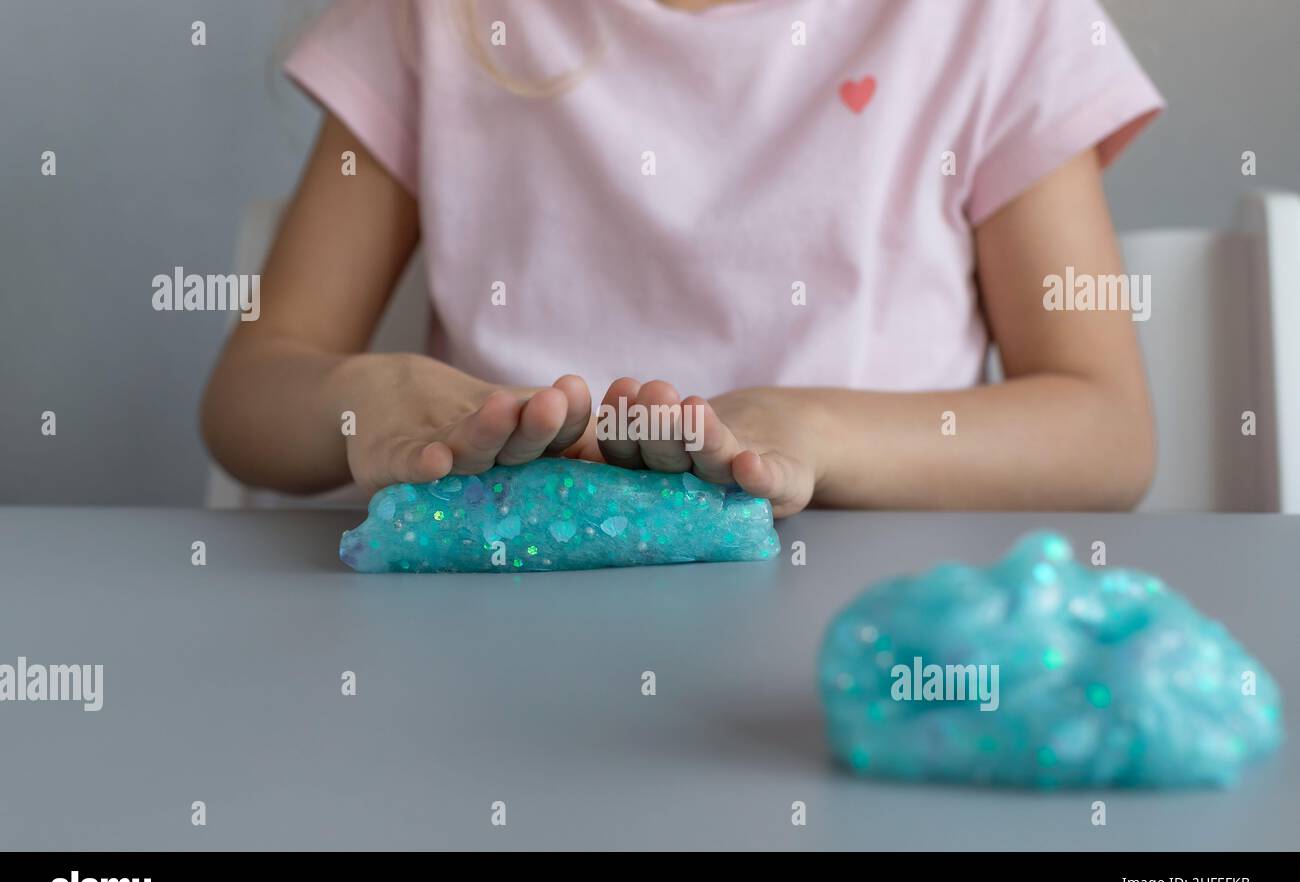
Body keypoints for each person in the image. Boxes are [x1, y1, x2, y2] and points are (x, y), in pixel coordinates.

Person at [201, 0, 1164, 516]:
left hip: (866, 630)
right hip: (490, 647)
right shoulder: (434, 16)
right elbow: (249, 399)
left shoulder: (999, 20)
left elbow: (1105, 430)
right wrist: (369, 397)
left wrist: (809, 431)